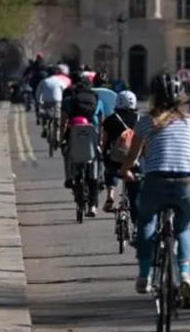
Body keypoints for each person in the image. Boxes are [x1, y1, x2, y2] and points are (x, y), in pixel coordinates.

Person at [119, 74, 190, 306]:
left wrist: (124, 171)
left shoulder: (146, 122)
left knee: (146, 221)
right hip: (187, 183)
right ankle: (185, 274)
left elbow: (132, 157)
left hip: (156, 180)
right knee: (183, 229)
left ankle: (144, 274)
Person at [61, 75, 104, 216]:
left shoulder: (68, 101)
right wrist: (100, 142)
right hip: (92, 135)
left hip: (74, 134)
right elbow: (101, 123)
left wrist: (61, 139)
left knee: (68, 153)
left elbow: (63, 123)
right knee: (94, 169)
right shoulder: (97, 100)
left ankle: (70, 177)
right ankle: (92, 206)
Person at [101, 90, 140, 219]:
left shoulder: (110, 120)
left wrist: (103, 155)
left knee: (110, 168)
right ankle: (135, 214)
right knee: (136, 182)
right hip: (134, 161)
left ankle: (110, 195)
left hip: (115, 160)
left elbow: (104, 142)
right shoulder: (139, 120)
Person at [36, 66, 69, 138]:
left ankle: (44, 128)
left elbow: (38, 92)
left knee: (44, 116)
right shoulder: (60, 81)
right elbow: (65, 89)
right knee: (57, 117)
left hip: (46, 101)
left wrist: (39, 101)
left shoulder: (44, 81)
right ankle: (57, 133)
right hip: (57, 100)